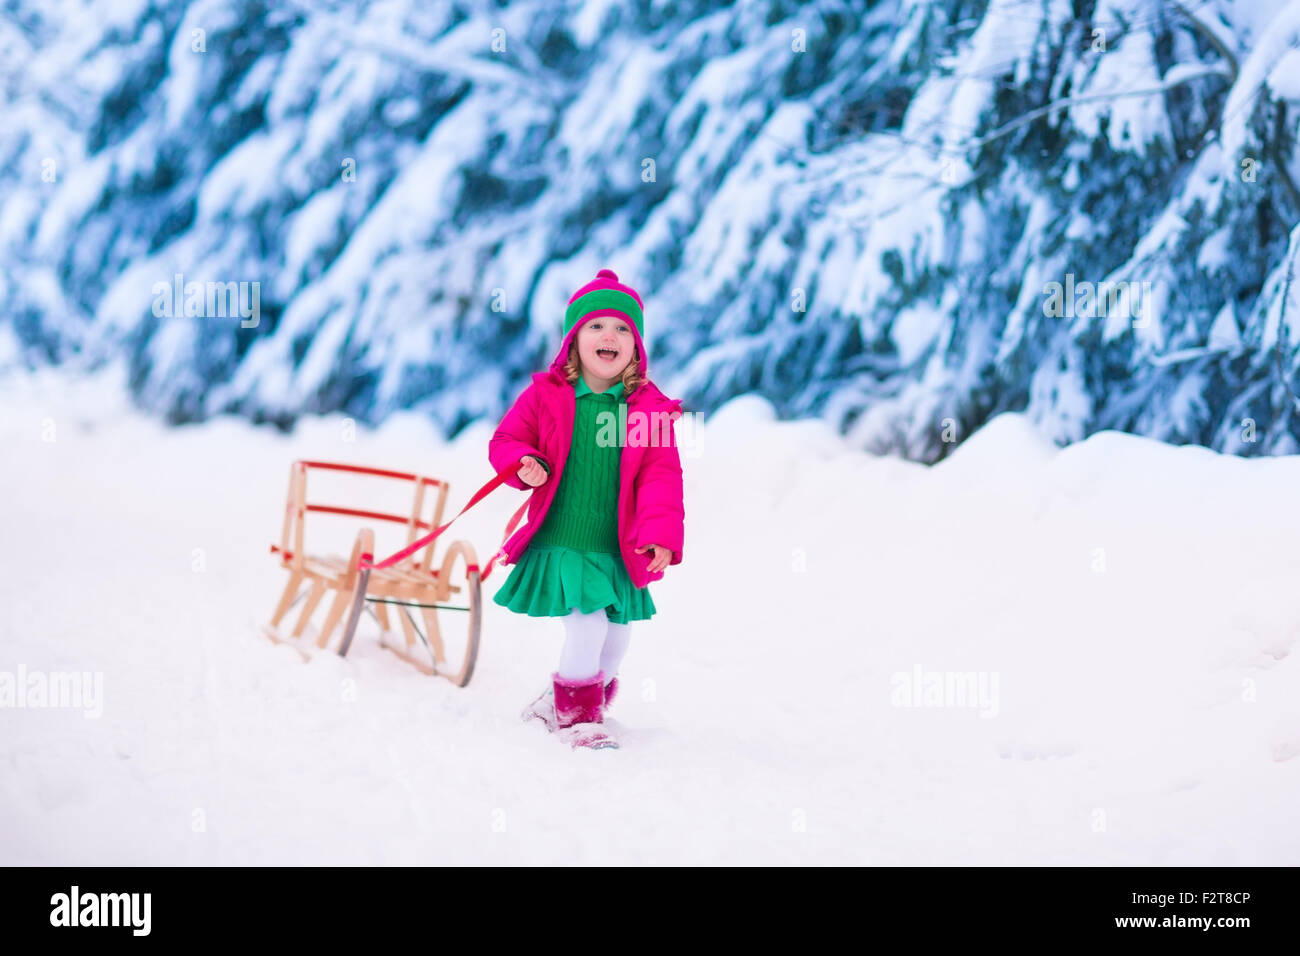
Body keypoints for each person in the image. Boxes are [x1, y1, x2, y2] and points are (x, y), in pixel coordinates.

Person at [488, 268, 685, 749]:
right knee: (587, 625)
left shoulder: (645, 408)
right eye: (596, 326)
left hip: (615, 546)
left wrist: (660, 536)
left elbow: (661, 475)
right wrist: (524, 463)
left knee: (616, 639)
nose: (609, 336)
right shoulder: (547, 395)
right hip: (565, 539)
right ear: (574, 341)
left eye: (622, 329)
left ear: (635, 349)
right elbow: (507, 440)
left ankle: (556, 704)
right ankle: (579, 722)